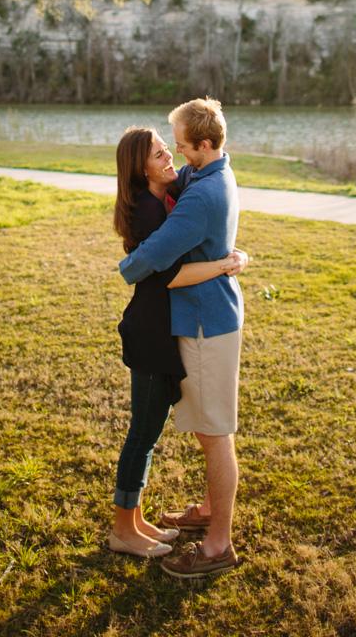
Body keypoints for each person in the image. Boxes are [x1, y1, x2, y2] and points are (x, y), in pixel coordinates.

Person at [119, 97, 243, 579]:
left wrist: (128, 263)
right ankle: (211, 511)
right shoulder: (211, 173)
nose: (176, 152)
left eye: (182, 145)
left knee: (214, 435)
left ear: (205, 146)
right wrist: (230, 259)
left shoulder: (200, 197)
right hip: (204, 318)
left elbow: (146, 266)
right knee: (208, 427)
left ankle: (218, 545)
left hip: (206, 323)